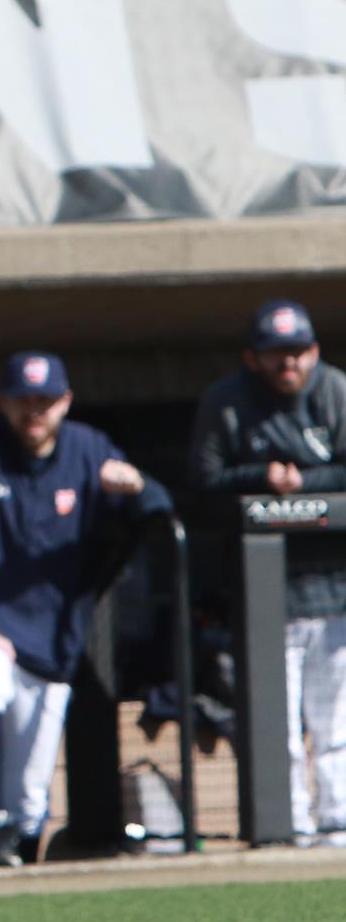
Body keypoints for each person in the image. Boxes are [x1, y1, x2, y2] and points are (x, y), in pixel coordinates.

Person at [0, 351, 171, 867]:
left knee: (32, 796)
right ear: (3, 402)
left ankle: (9, 862)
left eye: (44, 400)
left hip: (51, 641)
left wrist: (137, 486)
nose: (33, 411)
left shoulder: (87, 450)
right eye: (22, 400)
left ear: (64, 401)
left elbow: (159, 511)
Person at [190, 299, 346, 842]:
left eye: (298, 353)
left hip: (335, 592)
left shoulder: (334, 392)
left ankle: (337, 826)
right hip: (263, 598)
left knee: (336, 726)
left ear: (314, 351)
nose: (289, 365)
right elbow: (204, 486)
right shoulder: (227, 402)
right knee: (276, 726)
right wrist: (260, 477)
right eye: (276, 355)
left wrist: (306, 485)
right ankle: (288, 829)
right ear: (252, 357)